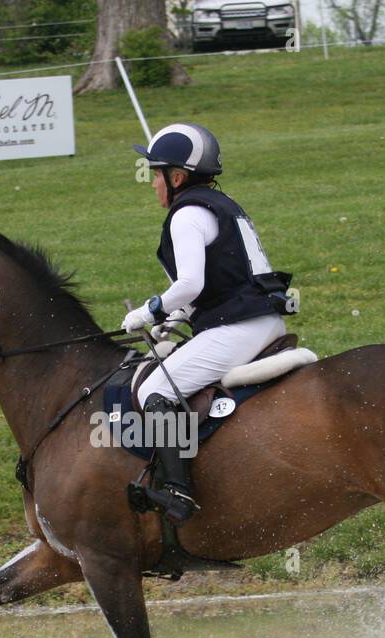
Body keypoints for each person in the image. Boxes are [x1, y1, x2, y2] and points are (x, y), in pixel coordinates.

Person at [123, 123, 292, 525]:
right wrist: (175, 317)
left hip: (240, 328)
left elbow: (189, 283)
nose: (152, 184)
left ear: (176, 177)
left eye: (155, 174)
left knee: (155, 389)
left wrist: (149, 312)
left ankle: (178, 491)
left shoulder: (187, 215)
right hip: (260, 321)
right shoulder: (220, 205)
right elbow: (216, 283)